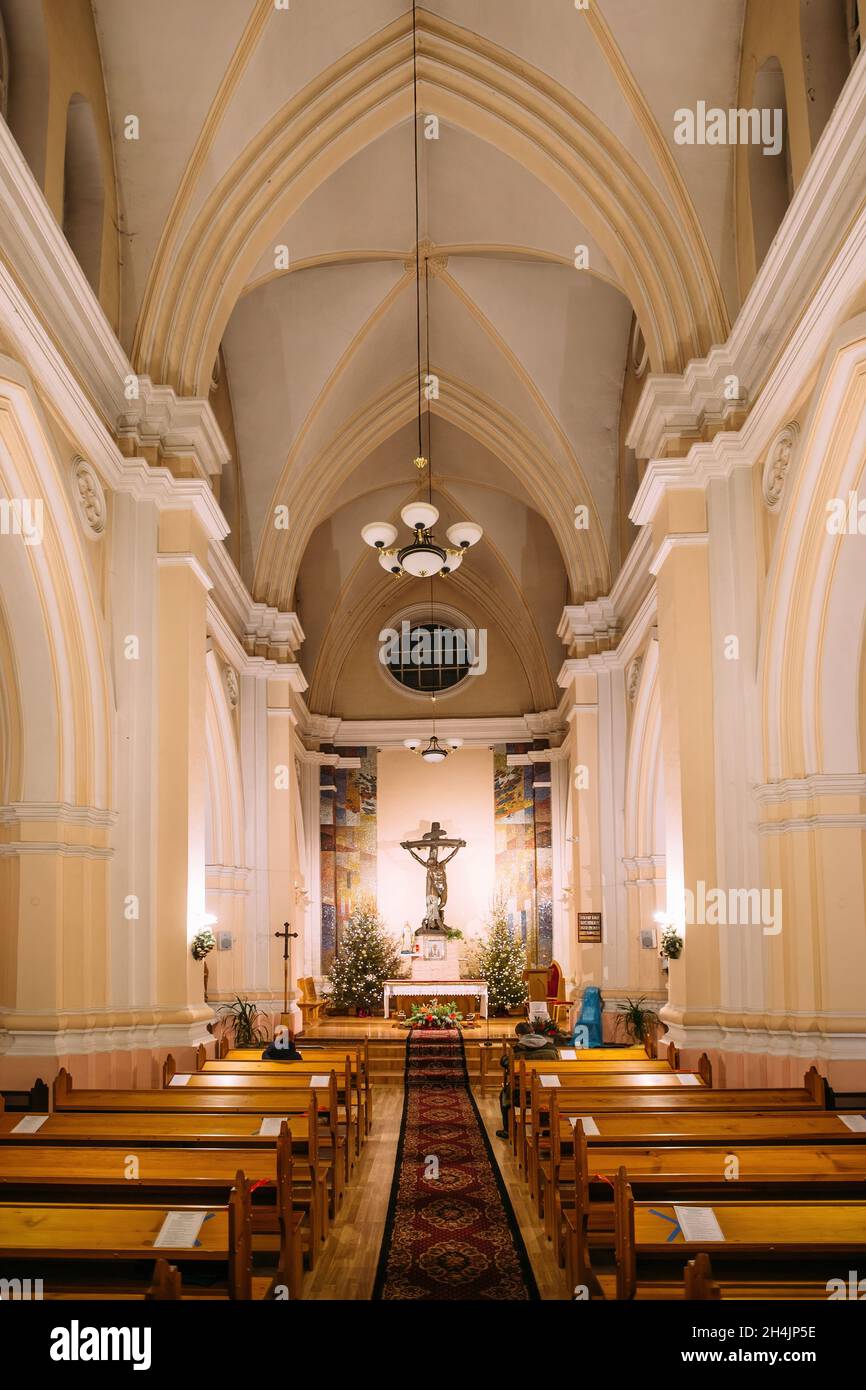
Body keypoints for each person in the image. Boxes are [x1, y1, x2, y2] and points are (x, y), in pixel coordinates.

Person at [496, 1020, 559, 1139]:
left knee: (504, 1095)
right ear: (533, 1032)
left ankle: (508, 1130)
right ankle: (547, 1130)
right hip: (547, 1088)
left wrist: (504, 1059)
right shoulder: (551, 1048)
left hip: (523, 1092)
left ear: (519, 1035)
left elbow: (507, 1063)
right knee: (545, 1098)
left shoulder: (518, 1050)